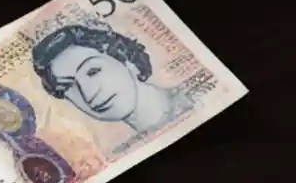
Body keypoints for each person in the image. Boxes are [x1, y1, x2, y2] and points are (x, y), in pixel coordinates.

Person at [31, 25, 189, 133]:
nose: (88, 94)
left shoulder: (193, 99)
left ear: (123, 57)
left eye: (93, 71)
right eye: (68, 87)